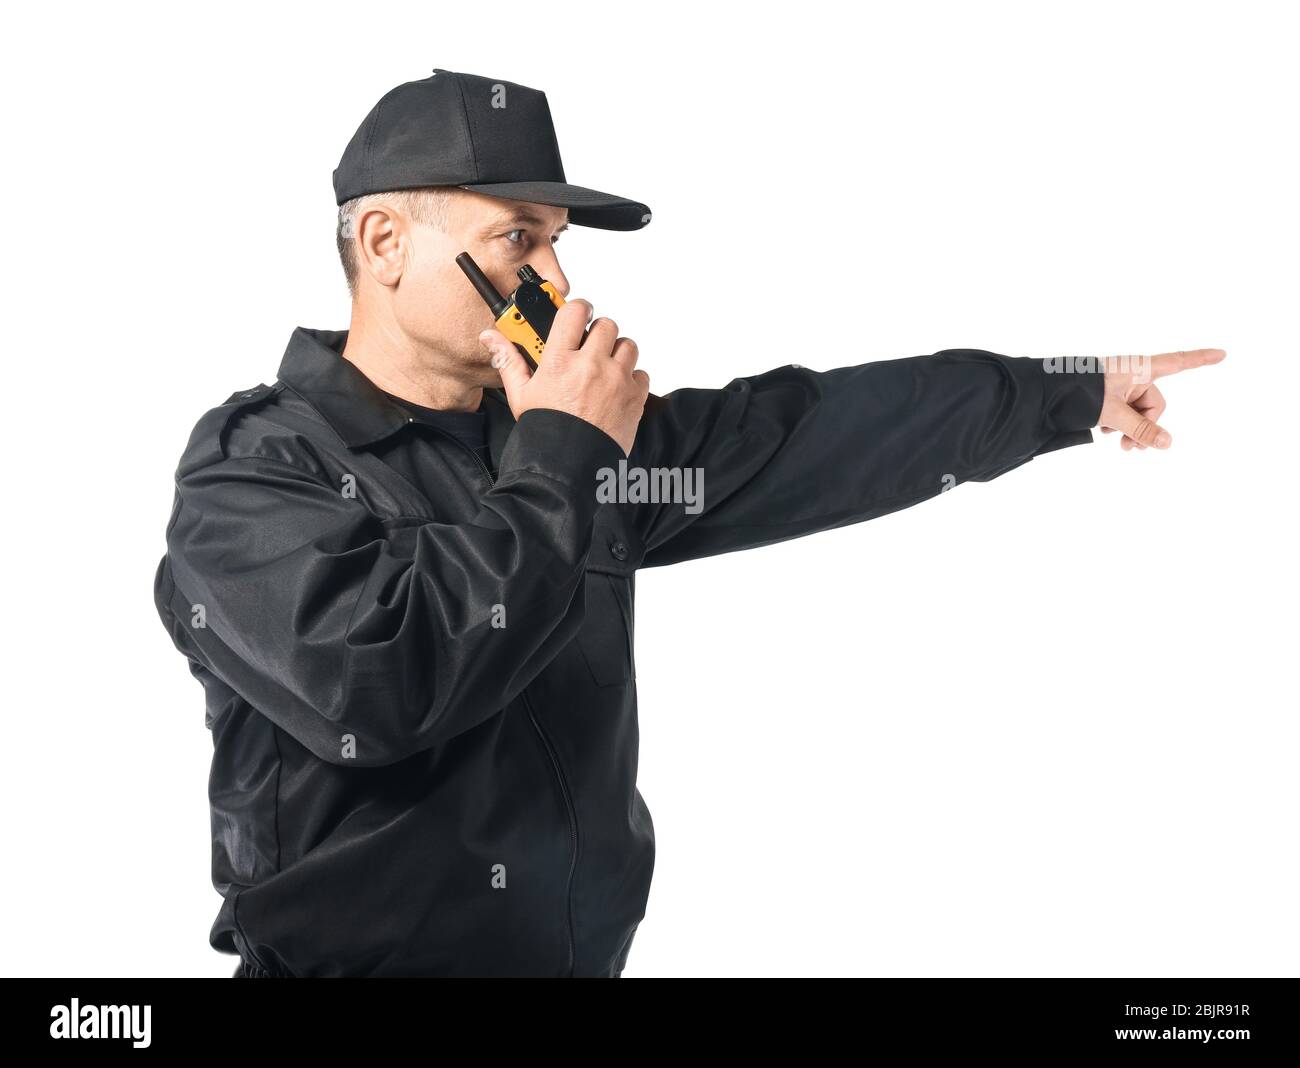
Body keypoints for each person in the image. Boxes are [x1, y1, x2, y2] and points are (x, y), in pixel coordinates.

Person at [153, 67, 1225, 978]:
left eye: (559, 241)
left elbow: (818, 433)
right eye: (517, 238)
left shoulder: (560, 442)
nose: (557, 280)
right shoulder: (257, 469)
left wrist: (1067, 393)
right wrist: (566, 455)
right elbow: (387, 682)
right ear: (384, 242)